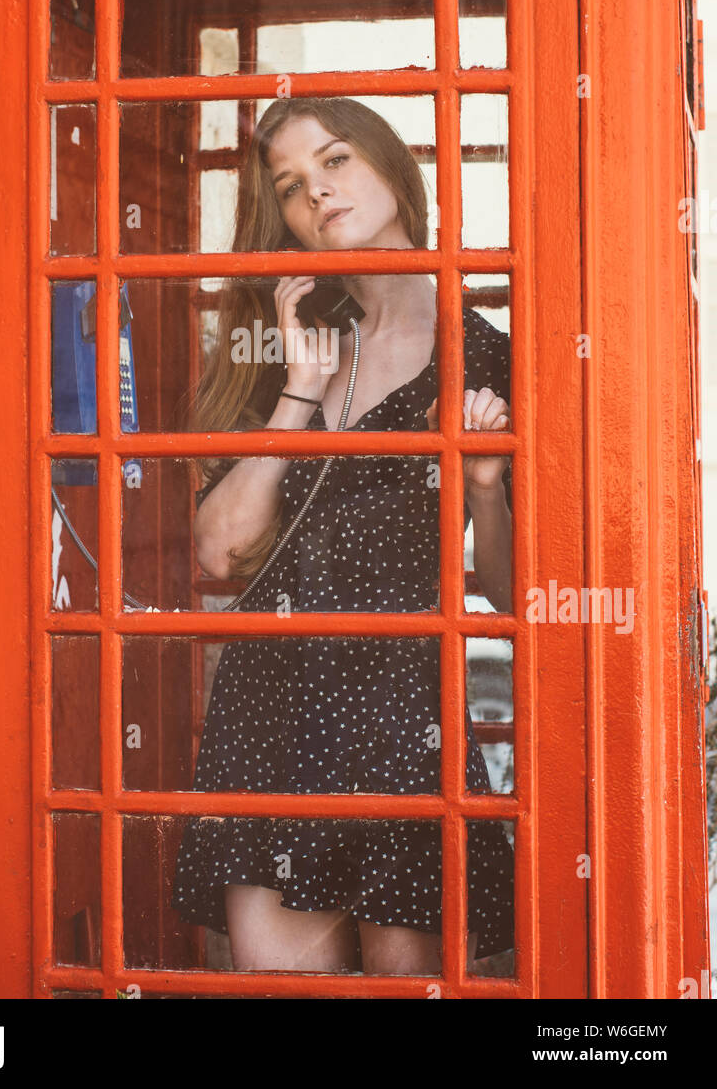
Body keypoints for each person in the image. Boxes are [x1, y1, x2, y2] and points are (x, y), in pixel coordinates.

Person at [171, 97, 516, 975]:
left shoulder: (489, 357)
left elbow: (520, 595)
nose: (316, 193)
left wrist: (483, 491)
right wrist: (299, 392)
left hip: (403, 718)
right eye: (290, 186)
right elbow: (219, 552)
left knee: (412, 989)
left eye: (335, 161)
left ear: (392, 169)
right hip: (274, 709)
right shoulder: (291, 343)